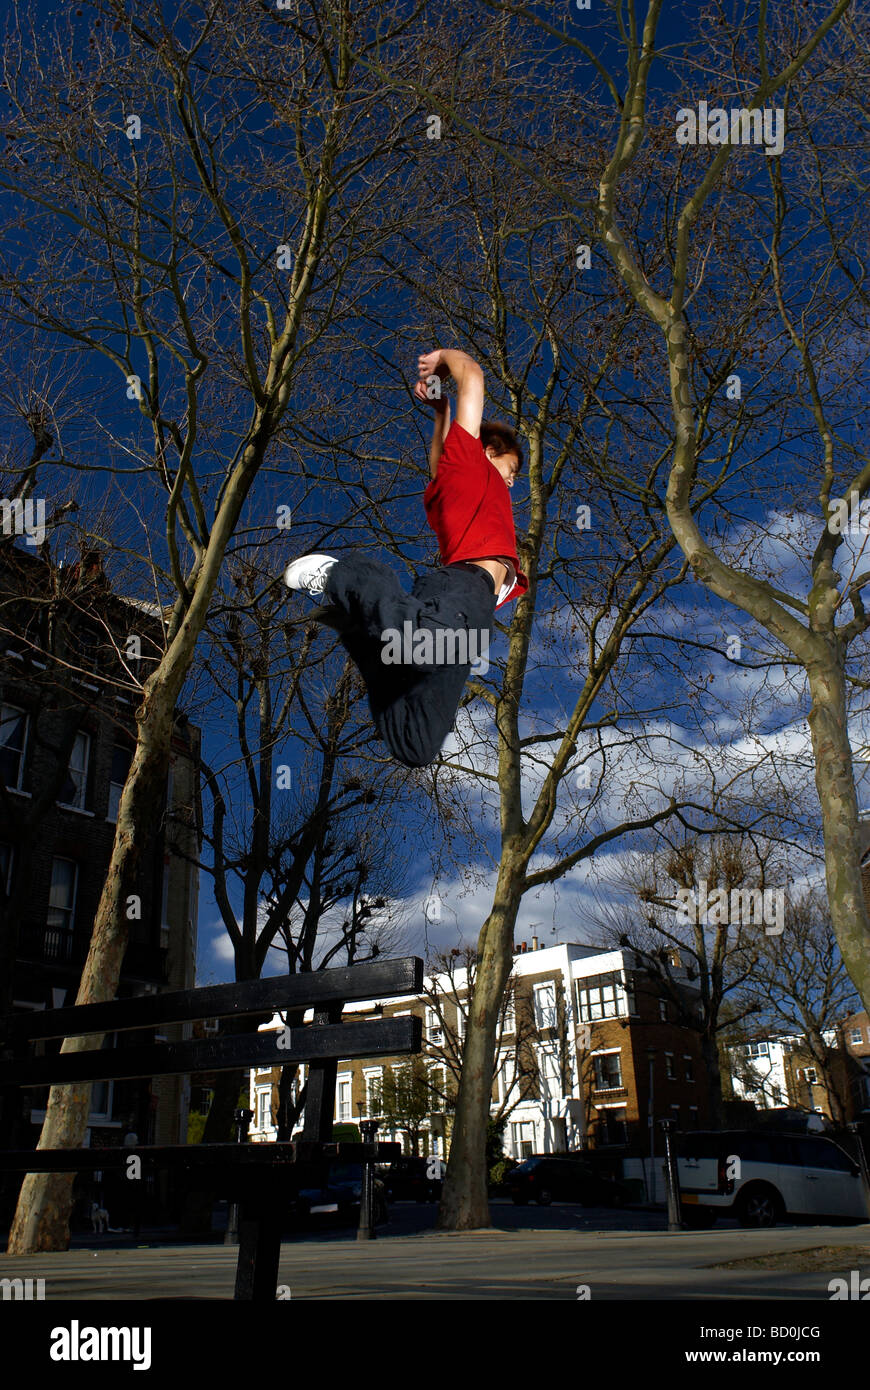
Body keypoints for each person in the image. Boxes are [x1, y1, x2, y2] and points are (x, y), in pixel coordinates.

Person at [284, 348, 528, 767]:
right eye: (512, 466)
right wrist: (444, 359)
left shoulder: (453, 479)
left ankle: (359, 628)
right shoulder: (472, 463)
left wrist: (441, 412)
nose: (512, 478)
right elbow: (472, 374)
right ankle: (346, 575)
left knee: (416, 743)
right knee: (424, 643)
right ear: (489, 450)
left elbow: (439, 464)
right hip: (462, 589)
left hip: (474, 615)